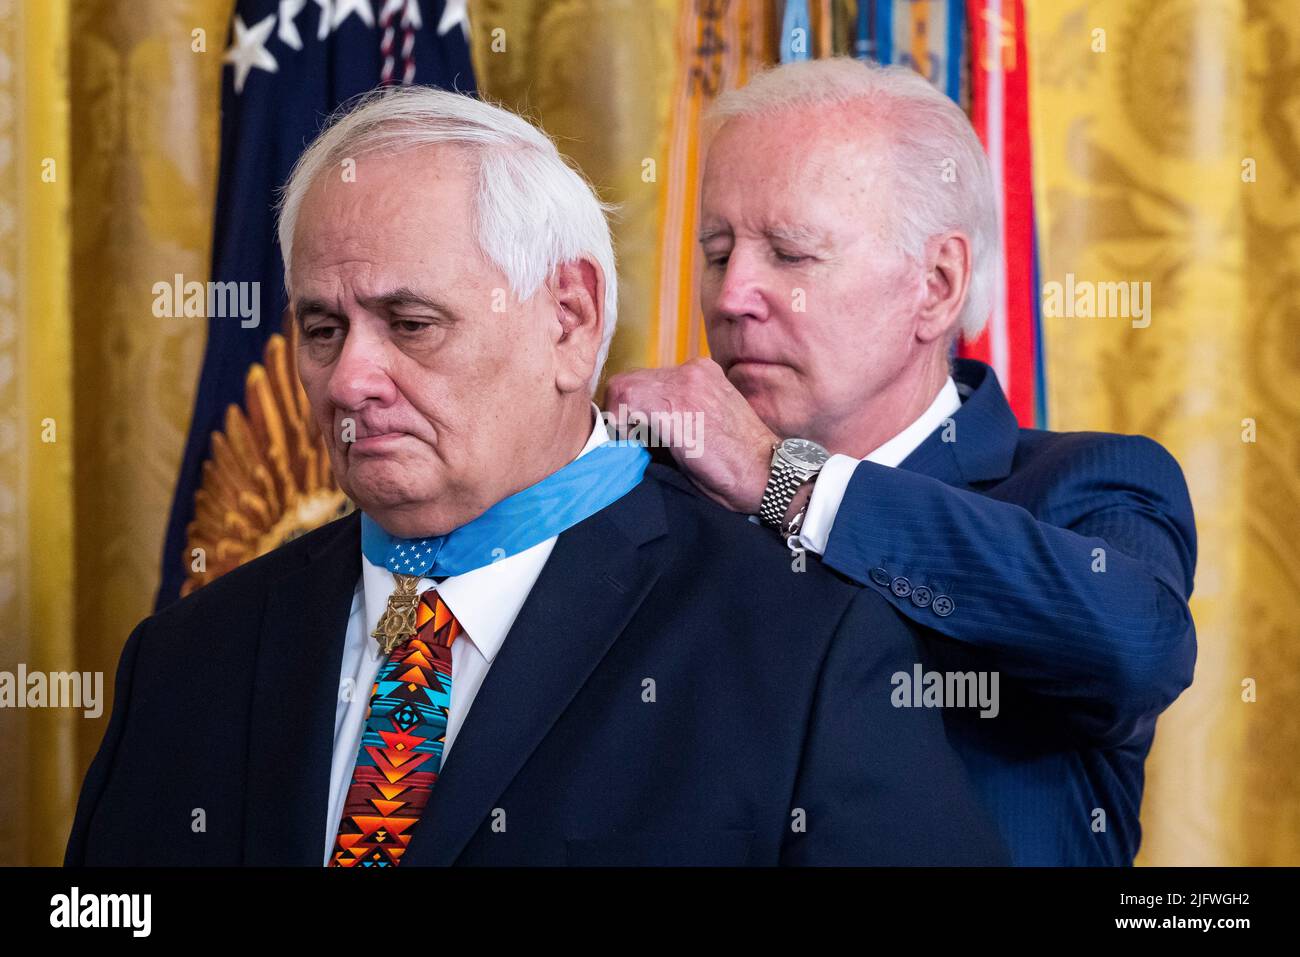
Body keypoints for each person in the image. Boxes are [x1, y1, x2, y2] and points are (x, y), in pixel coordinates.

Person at [64, 85, 1006, 867]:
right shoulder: (185, 660)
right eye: (321, 328)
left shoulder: (804, 646)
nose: (349, 378)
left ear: (568, 319)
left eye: (411, 323)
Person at [606, 58, 1197, 866]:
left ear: (937, 284)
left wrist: (788, 480)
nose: (732, 294)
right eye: (717, 251)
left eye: (790, 252)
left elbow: (1135, 649)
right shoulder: (651, 487)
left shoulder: (1087, 486)